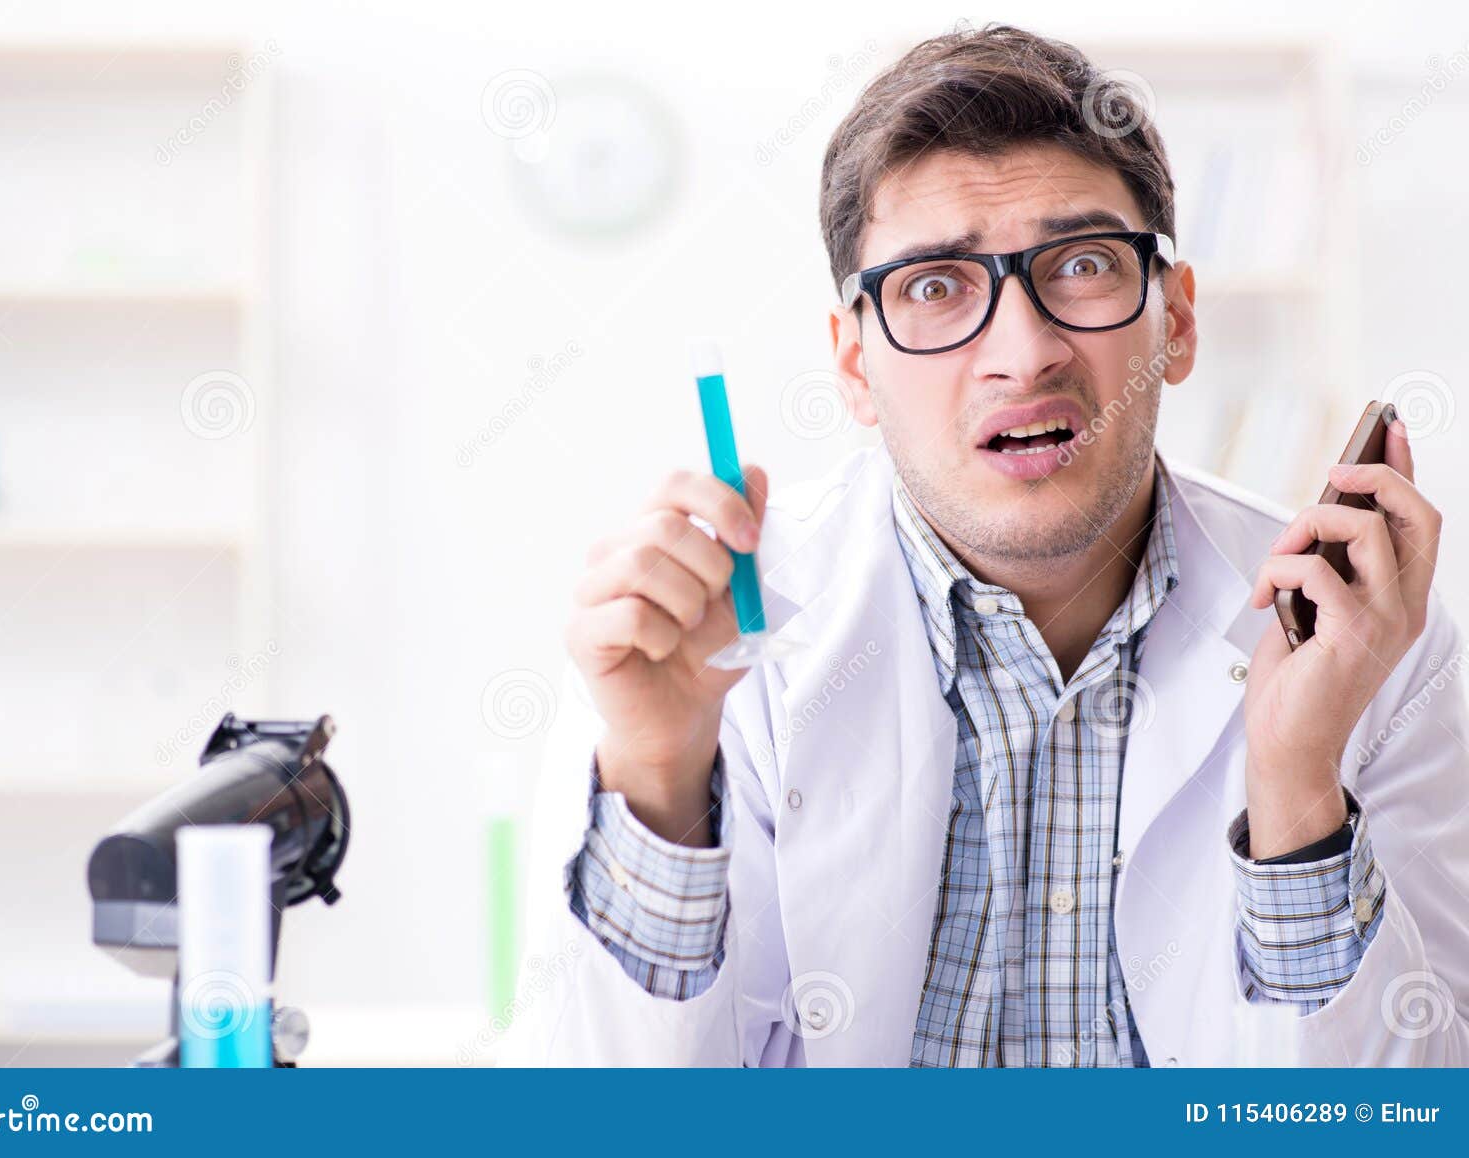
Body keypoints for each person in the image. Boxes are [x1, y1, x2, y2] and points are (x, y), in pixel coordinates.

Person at [506, 24, 1468, 1066]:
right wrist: (654, 777)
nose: (1024, 350)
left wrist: (1292, 781)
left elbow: (1406, 1115)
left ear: (1176, 323)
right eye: (933, 286)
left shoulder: (1364, 642)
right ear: (854, 365)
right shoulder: (701, 642)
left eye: (1085, 265)